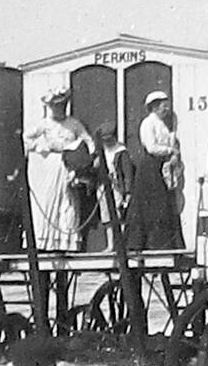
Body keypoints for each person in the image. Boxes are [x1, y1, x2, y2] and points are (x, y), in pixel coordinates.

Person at [24, 88, 93, 251]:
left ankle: (65, 242)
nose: (58, 109)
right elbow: (26, 137)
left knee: (68, 200)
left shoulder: (73, 123)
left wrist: (89, 157)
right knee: (49, 200)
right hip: (51, 164)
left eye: (61, 106)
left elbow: (88, 140)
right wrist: (38, 146)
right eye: (55, 106)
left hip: (68, 164)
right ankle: (46, 241)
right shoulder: (45, 123)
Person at [131, 91, 185, 251]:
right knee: (151, 206)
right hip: (150, 168)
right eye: (163, 105)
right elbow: (152, 147)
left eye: (167, 105)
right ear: (154, 107)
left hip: (161, 167)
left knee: (163, 205)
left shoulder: (163, 125)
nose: (166, 108)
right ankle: (148, 244)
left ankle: (163, 244)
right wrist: (170, 150)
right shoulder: (148, 123)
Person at [92, 123, 136, 251]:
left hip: (117, 187)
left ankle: (120, 243)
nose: (107, 141)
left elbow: (127, 173)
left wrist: (128, 191)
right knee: (106, 216)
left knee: (118, 213)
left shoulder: (121, 152)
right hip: (103, 187)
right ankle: (110, 244)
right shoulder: (99, 152)